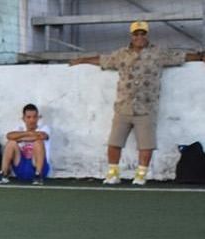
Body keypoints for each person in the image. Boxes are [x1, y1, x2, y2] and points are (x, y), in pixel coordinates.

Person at [70, 21, 204, 186]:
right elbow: (104, 59)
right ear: (131, 36)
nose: (139, 37)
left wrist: (199, 56)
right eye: (136, 34)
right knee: (114, 142)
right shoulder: (122, 54)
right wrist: (82, 60)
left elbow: (179, 57)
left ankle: (140, 175)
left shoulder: (158, 53)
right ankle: (113, 173)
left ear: (147, 35)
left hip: (146, 107)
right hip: (123, 106)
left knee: (146, 144)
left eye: (142, 34)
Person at [0, 103, 51, 185]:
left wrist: (20, 138)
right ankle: (3, 174)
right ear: (23, 119)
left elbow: (42, 136)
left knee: (38, 142)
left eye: (35, 117)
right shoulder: (19, 128)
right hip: (21, 167)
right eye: (29, 117)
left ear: (38, 117)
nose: (32, 120)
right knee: (11, 143)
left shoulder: (44, 128)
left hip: (37, 165)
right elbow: (9, 136)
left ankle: (38, 176)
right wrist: (29, 133)